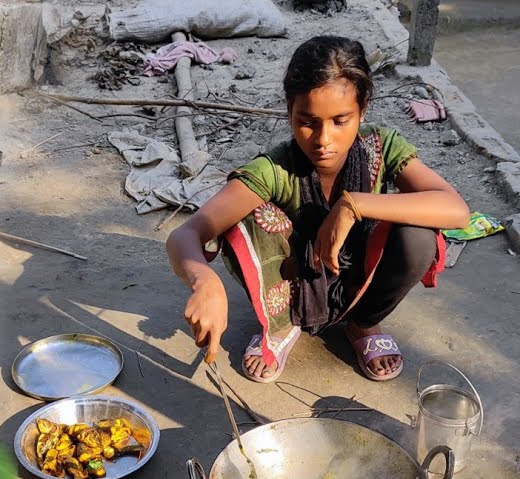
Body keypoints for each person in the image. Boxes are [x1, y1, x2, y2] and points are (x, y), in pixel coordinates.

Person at [166, 36, 469, 383]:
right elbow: (188, 233)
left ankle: (364, 321)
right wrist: (203, 280)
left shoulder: (381, 148)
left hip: (360, 279)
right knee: (244, 221)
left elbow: (457, 210)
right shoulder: (275, 169)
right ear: (289, 110)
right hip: (294, 284)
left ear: (364, 107)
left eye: (341, 120)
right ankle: (281, 326)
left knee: (417, 234)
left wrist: (353, 204)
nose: (323, 140)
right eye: (307, 122)